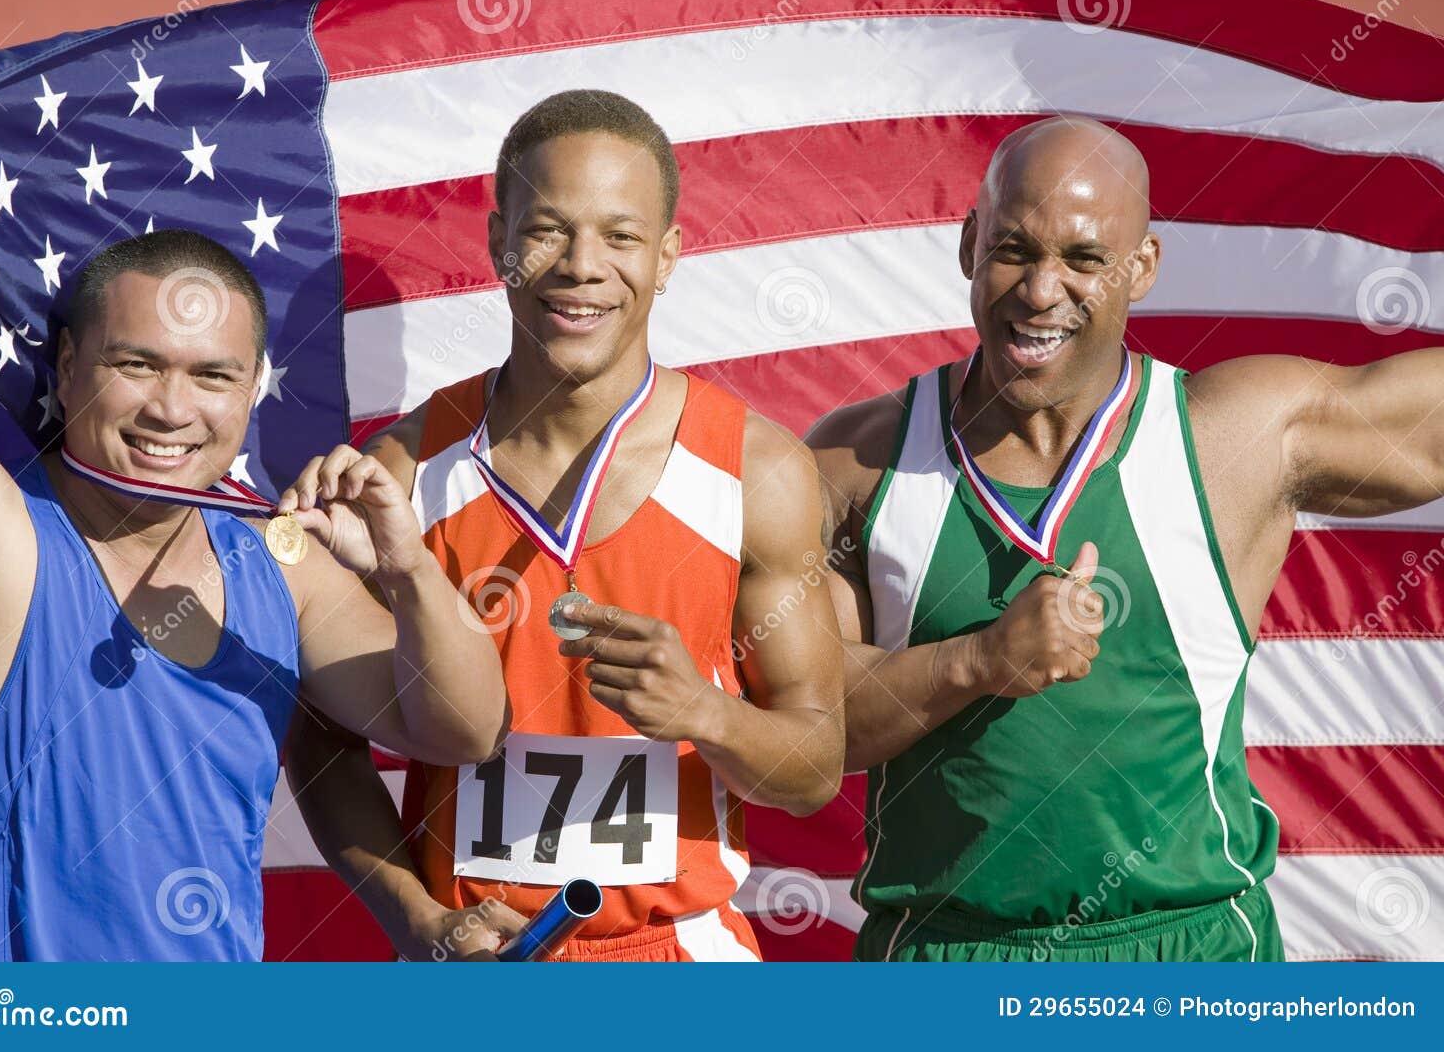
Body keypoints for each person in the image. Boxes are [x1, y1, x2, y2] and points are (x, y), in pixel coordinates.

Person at [809, 115, 1444, 962]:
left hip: (1189, 955)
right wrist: (980, 661)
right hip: (943, 957)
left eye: (1084, 259)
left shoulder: (1234, 437)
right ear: (968, 245)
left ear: (1141, 267)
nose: (1042, 291)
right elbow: (807, 736)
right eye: (1013, 249)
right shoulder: (856, 460)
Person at [284, 89, 845, 962]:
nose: (583, 266)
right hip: (473, 962)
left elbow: (815, 770)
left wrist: (707, 712)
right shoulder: (402, 475)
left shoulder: (756, 474)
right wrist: (416, 920)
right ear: (498, 243)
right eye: (548, 231)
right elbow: (322, 744)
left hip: (679, 956)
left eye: (620, 236)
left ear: (667, 257)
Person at [0, 229, 506, 961]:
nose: (172, 409)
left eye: (213, 376)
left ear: (254, 387)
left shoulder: (282, 568)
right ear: (67, 366)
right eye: (137, 364)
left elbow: (466, 731)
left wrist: (407, 568)